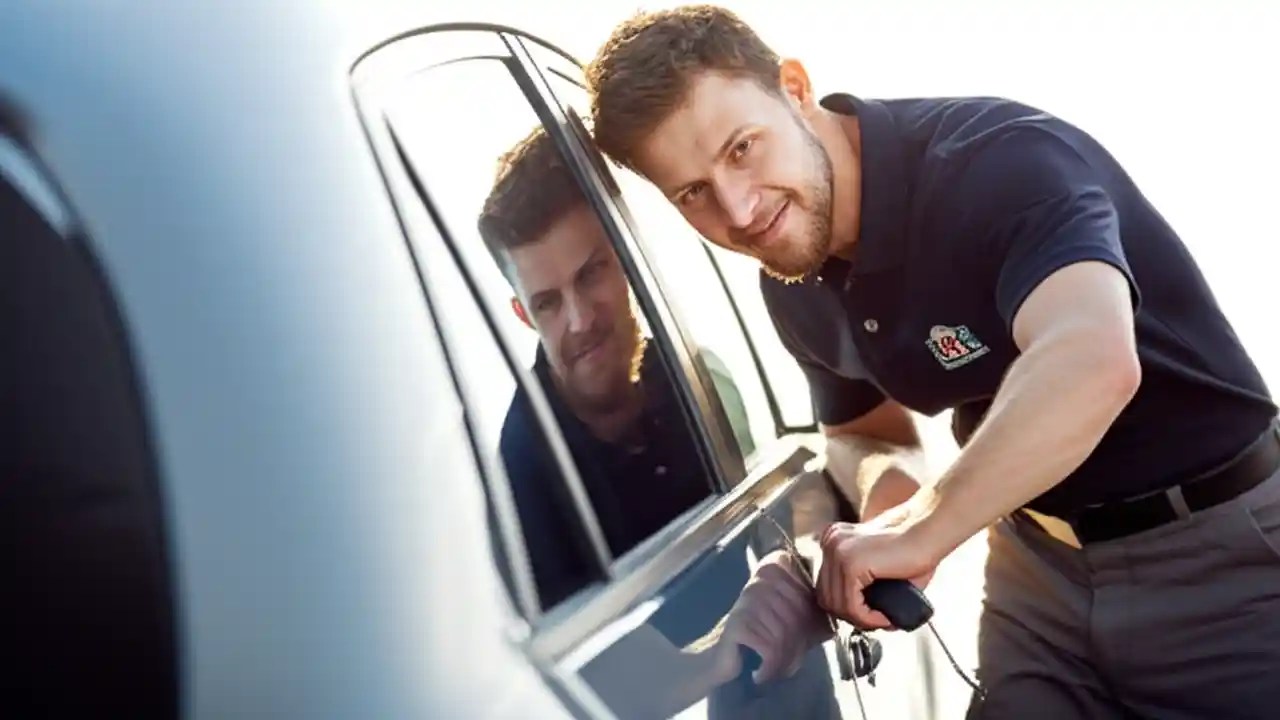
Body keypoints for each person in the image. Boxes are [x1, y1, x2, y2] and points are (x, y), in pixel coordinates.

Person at [583, 5, 1280, 718]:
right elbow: (867, 436)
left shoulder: (1001, 164)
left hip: (1222, 562)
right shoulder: (792, 282)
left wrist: (928, 524)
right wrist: (876, 514)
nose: (737, 211)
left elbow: (1091, 358)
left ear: (794, 88)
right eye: (692, 193)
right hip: (1036, 574)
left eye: (741, 149)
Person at [476, 126, 839, 718]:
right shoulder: (523, 480)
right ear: (522, 313)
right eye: (547, 302)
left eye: (591, 274)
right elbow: (575, 685)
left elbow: (785, 517)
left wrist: (800, 558)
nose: (578, 320)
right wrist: (716, 661)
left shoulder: (703, 380)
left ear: (629, 259)